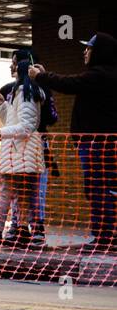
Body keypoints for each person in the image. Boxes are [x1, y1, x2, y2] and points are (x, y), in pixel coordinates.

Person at [30, 33, 117, 251]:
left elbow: (68, 84)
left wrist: (41, 76)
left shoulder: (100, 75)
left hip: (96, 144)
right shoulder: (107, 75)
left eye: (89, 48)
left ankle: (104, 237)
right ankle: (108, 235)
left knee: (98, 188)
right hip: (101, 143)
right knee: (106, 188)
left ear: (100, 52)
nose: (84, 52)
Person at [0, 48, 55, 242]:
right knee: (14, 191)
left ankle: (26, 230)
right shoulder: (18, 91)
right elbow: (12, 120)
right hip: (18, 150)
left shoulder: (27, 91)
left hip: (25, 149)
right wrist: (2, 105)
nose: (12, 67)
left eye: (15, 64)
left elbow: (26, 125)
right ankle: (6, 230)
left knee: (27, 192)